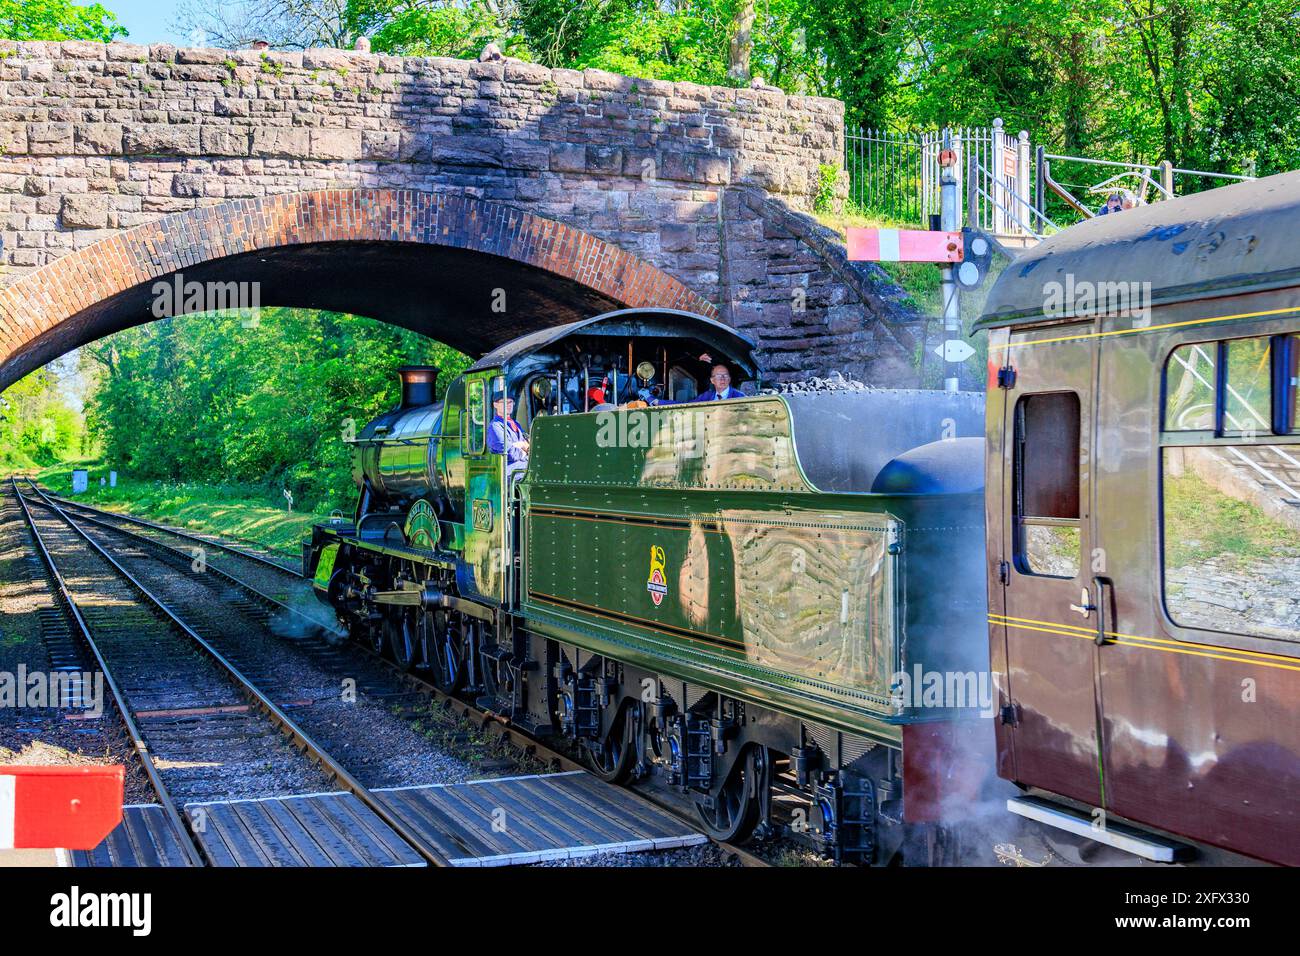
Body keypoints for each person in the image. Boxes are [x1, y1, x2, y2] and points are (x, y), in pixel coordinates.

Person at [487, 389, 529, 483]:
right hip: (507, 471)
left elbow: (528, 444)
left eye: (511, 402)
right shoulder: (495, 426)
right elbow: (510, 453)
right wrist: (523, 448)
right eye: (504, 402)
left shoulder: (516, 424)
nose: (508, 404)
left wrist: (520, 445)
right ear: (495, 405)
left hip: (520, 465)